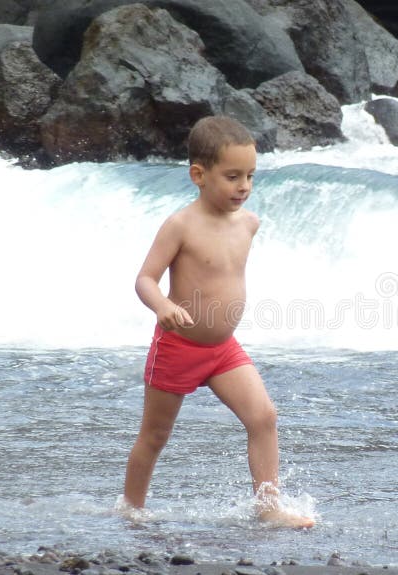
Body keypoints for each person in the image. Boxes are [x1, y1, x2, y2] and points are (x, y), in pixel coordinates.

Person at [123, 116, 314, 528]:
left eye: (250, 176)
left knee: (263, 417)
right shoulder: (181, 225)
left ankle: (269, 508)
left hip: (223, 348)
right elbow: (144, 279)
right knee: (154, 437)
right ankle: (131, 509)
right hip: (178, 347)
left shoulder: (249, 223)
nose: (243, 186)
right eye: (232, 176)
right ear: (199, 175)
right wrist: (162, 307)